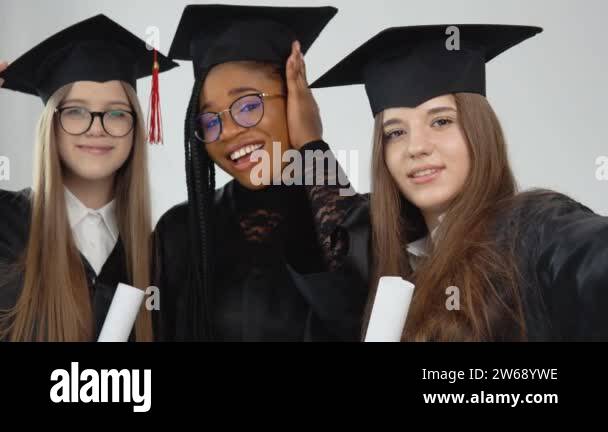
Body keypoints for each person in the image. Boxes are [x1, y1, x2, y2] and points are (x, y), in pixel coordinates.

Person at [311, 24, 608, 341]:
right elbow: (333, 231)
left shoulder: (533, 229)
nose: (416, 147)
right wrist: (308, 144)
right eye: (396, 132)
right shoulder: (399, 264)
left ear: (478, 130)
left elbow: (593, 261)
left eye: (441, 121)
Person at [153, 4, 368, 341]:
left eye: (248, 105)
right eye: (210, 120)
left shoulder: (355, 223)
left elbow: (361, 310)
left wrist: (312, 143)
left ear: (296, 100)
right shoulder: (180, 232)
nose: (226, 131)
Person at [0, 14, 177, 341]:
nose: (97, 128)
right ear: (50, 126)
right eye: (76, 111)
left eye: (116, 113)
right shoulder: (5, 222)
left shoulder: (159, 252)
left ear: (135, 127)